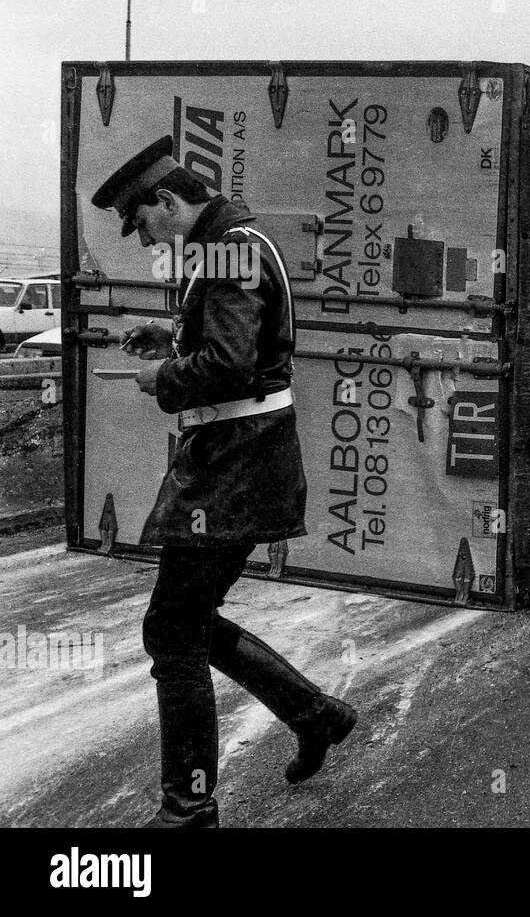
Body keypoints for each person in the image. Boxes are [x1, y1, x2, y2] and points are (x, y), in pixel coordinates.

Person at [91, 135, 357, 828]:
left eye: (142, 222)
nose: (144, 235)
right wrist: (170, 338)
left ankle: (188, 810)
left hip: (236, 465)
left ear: (168, 201)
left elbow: (233, 366)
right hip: (239, 460)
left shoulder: (229, 249)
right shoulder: (228, 243)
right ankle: (314, 714)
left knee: (172, 633)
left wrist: (163, 378)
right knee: (185, 624)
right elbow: (235, 343)